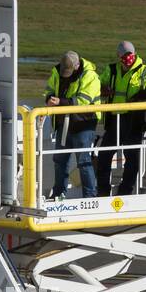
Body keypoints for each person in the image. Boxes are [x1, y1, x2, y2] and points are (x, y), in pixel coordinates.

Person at [97, 41, 146, 196]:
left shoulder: (144, 71)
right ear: (118, 56)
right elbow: (97, 85)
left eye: (130, 54)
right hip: (115, 119)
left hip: (134, 121)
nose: (128, 58)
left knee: (132, 158)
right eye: (125, 55)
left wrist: (139, 97)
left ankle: (125, 191)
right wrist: (103, 90)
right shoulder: (111, 70)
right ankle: (103, 191)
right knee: (104, 155)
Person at [44, 51, 101, 200]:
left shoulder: (90, 76)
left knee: (83, 161)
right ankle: (58, 194)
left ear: (76, 66)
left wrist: (61, 103)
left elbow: (84, 100)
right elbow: (50, 88)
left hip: (83, 123)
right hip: (64, 123)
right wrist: (49, 98)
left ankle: (90, 197)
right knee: (60, 160)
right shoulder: (57, 71)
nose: (65, 75)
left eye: (68, 72)